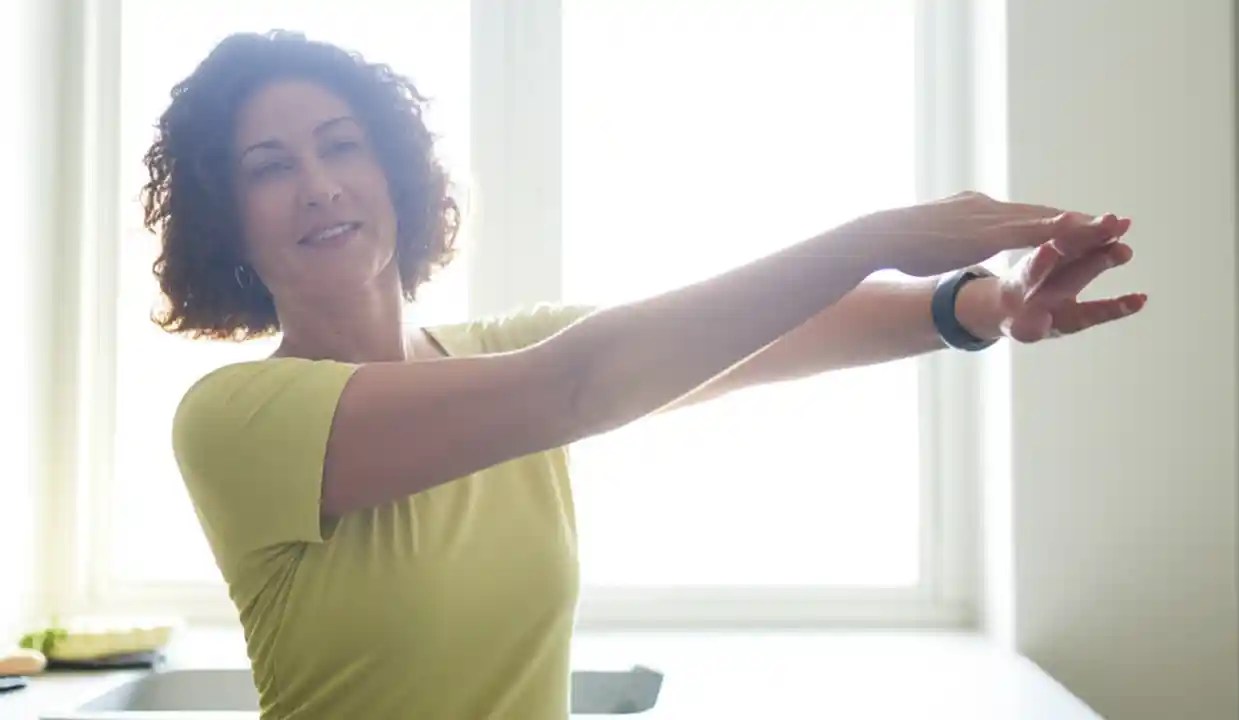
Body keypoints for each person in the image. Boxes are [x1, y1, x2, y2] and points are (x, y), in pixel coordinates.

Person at [151, 31, 1145, 720]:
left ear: (393, 174)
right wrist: (870, 237)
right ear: (226, 223)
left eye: (341, 146)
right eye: (268, 167)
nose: (319, 185)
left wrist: (981, 304)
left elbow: (761, 336)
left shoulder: (499, 351)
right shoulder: (236, 418)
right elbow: (575, 386)